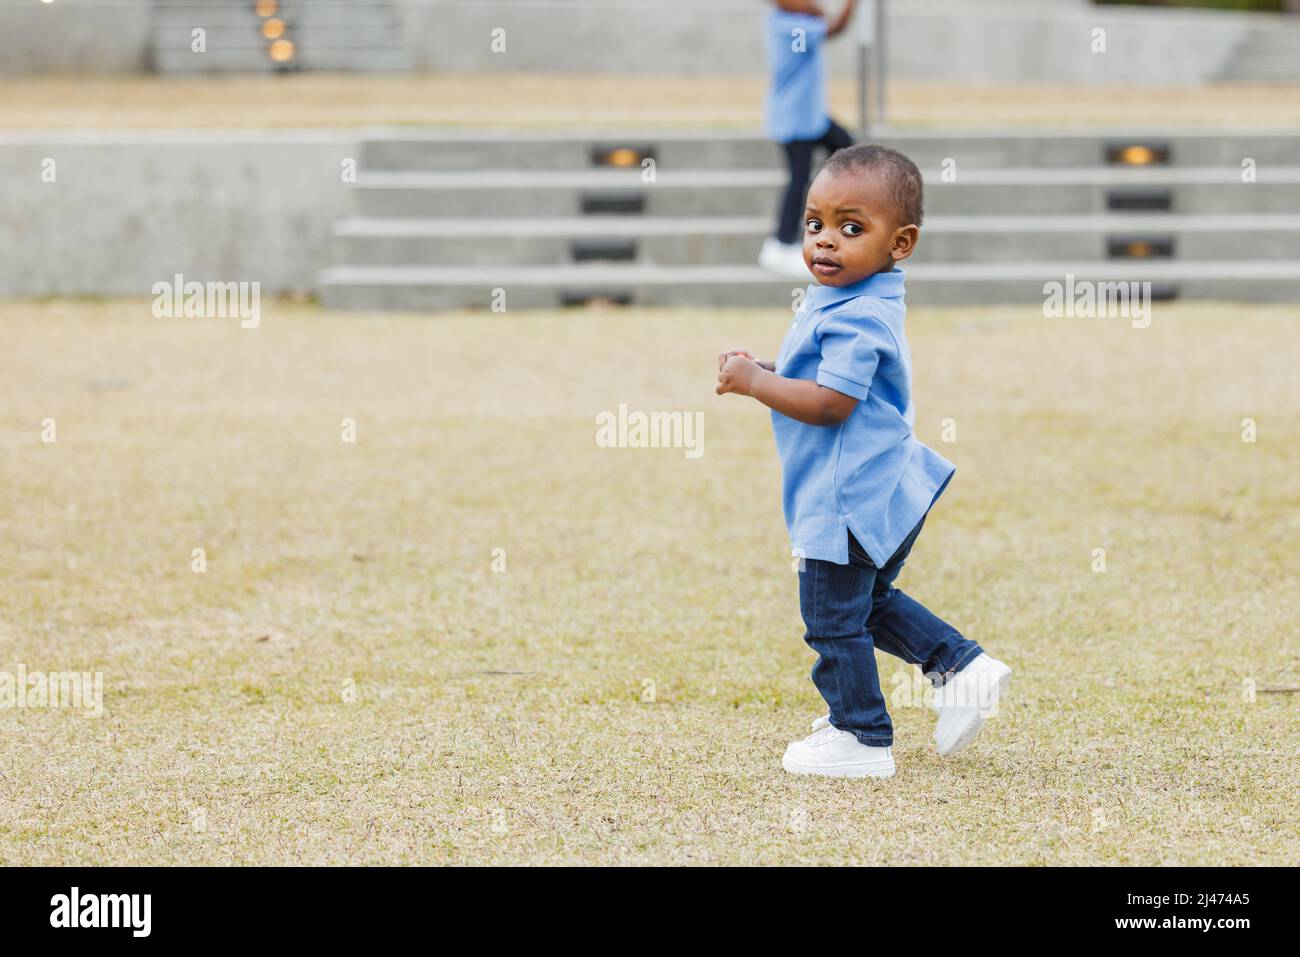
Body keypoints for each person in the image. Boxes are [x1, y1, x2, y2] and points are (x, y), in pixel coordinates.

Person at [717, 145, 1012, 778]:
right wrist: (772, 371)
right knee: (867, 603)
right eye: (815, 223)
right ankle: (961, 667)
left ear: (900, 243)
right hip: (883, 488)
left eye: (852, 229)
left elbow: (829, 405)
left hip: (846, 500)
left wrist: (752, 384)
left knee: (830, 618)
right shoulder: (854, 299)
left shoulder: (858, 316)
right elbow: (818, 381)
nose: (825, 242)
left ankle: (861, 737)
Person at [759, 0, 858, 279]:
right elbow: (835, 26)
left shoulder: (792, 18)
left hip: (811, 114)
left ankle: (827, 211)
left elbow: (816, 13)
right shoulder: (789, 26)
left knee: (848, 148)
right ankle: (779, 243)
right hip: (794, 118)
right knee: (798, 178)